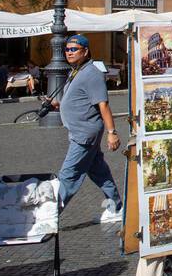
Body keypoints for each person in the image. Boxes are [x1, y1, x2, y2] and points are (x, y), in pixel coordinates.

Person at [50, 35, 124, 222]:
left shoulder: (91, 73)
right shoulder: (77, 71)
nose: (69, 52)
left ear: (85, 51)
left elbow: (103, 105)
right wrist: (61, 104)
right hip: (79, 130)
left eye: (74, 49)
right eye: (67, 49)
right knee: (98, 171)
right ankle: (116, 206)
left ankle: (50, 216)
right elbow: (81, 98)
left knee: (69, 173)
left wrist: (112, 133)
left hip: (85, 133)